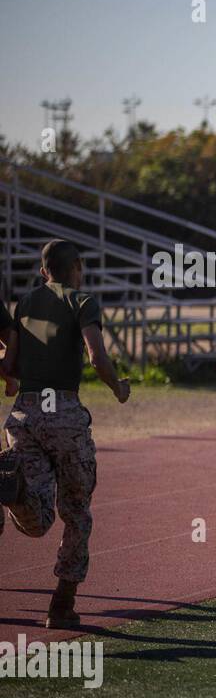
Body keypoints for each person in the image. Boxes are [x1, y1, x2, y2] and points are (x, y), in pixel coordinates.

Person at [0, 240, 131, 628]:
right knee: (76, 512)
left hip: (25, 411)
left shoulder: (24, 304)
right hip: (63, 412)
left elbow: (11, 361)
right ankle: (61, 604)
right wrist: (117, 387)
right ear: (77, 265)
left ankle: (17, 489)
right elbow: (95, 355)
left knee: (37, 519)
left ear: (44, 271)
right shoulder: (82, 301)